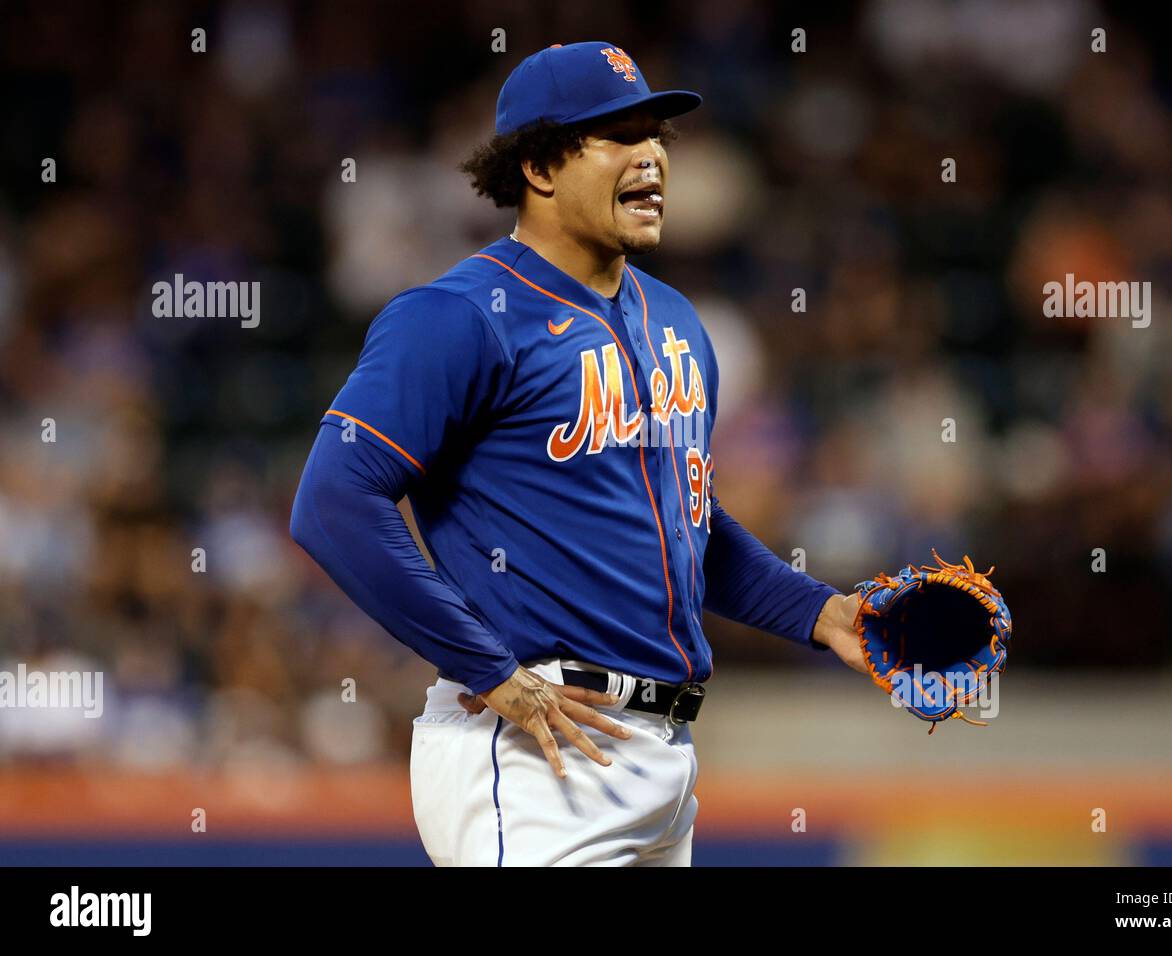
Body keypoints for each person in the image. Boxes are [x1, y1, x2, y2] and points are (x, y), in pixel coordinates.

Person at [290, 41, 867, 867]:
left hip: (664, 755)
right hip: (534, 753)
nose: (654, 156)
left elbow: (683, 524)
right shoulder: (459, 315)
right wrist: (491, 671)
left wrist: (818, 612)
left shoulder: (677, 322)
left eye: (658, 134)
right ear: (539, 165)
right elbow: (333, 502)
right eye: (618, 134)